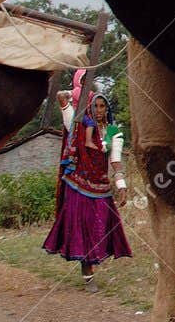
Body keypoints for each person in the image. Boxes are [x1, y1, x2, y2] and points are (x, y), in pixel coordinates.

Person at [42, 90, 132, 292]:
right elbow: (62, 101)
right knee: (82, 227)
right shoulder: (79, 125)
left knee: (99, 227)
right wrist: (68, 93)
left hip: (101, 188)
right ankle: (88, 273)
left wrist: (122, 186)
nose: (99, 110)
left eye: (102, 106)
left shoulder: (113, 132)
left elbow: (115, 162)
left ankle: (91, 264)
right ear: (89, 107)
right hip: (78, 186)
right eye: (95, 106)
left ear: (107, 109)